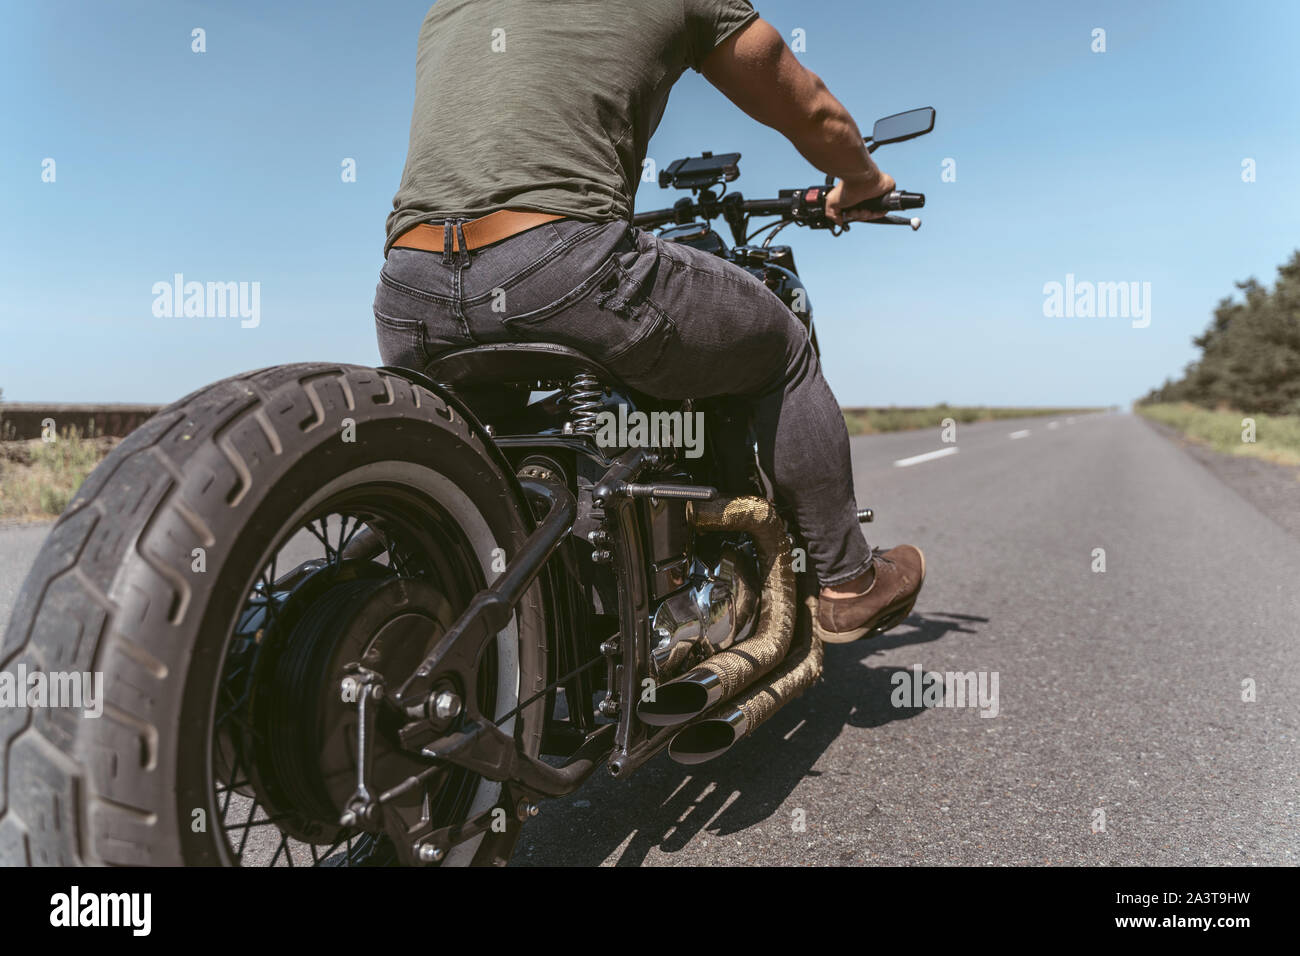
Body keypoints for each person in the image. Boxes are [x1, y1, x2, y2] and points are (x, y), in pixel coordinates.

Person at [374, 0, 924, 642]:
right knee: (784, 347)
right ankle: (848, 582)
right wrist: (859, 177)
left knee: (494, 447)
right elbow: (807, 104)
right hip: (559, 260)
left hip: (409, 290)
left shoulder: (451, 7)